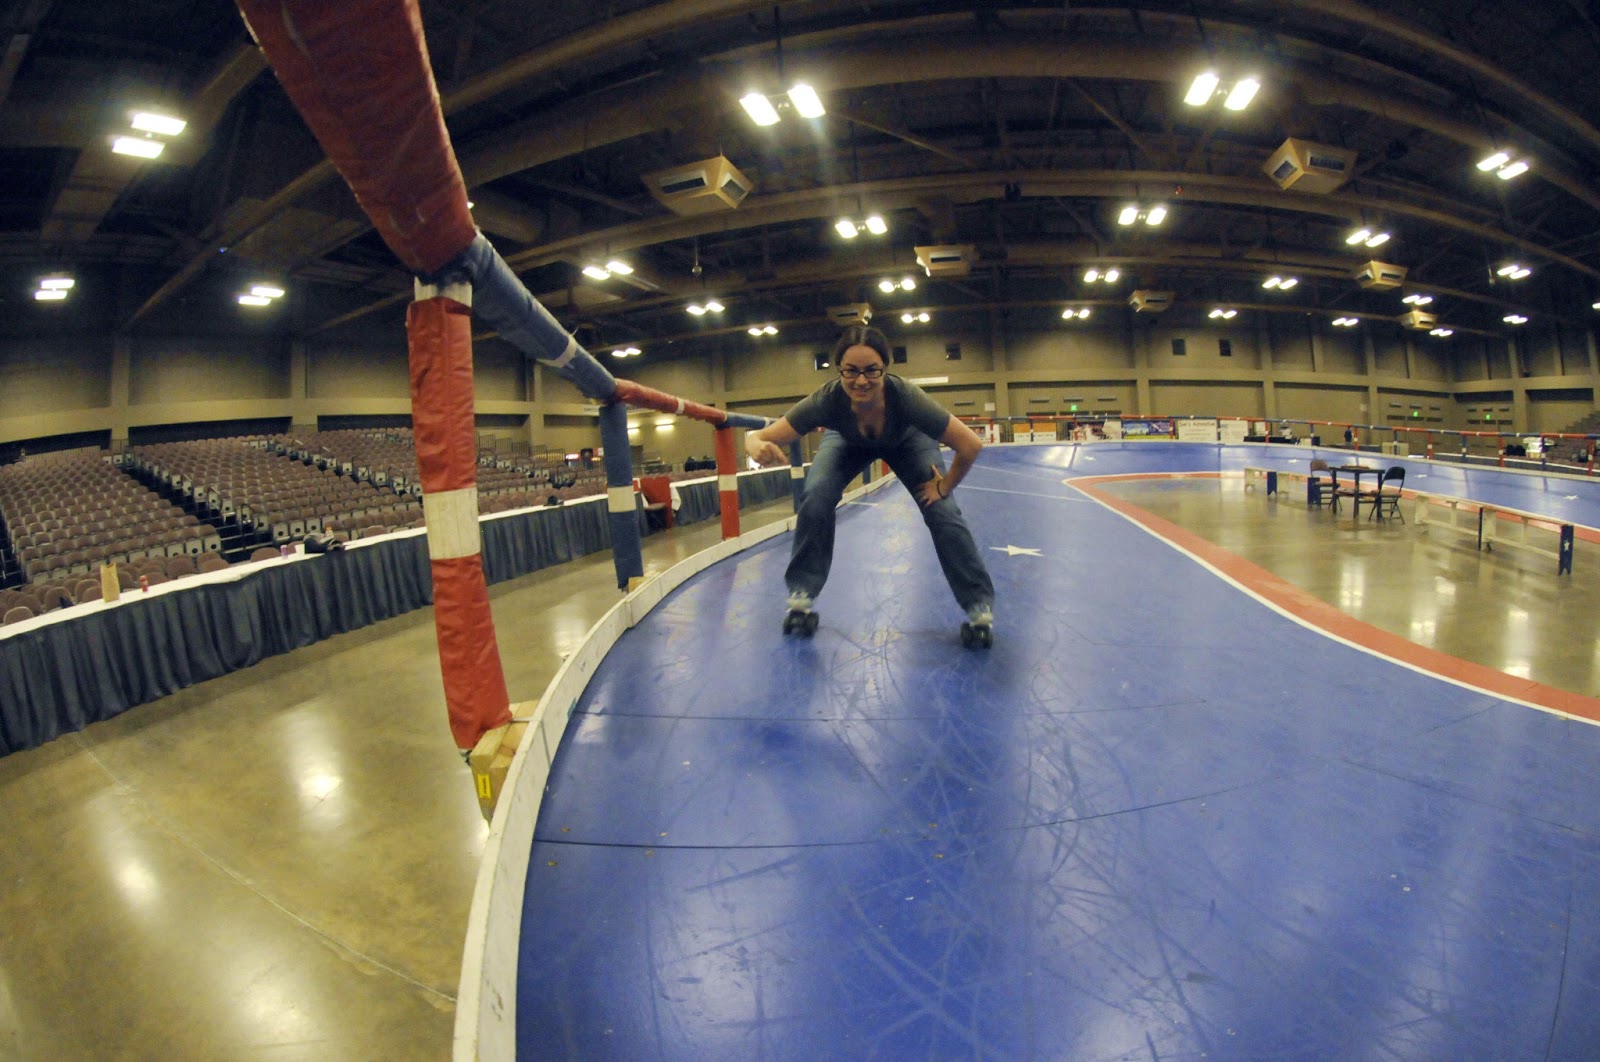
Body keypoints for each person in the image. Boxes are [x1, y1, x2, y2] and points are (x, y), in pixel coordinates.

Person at [744, 325, 995, 641]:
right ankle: (801, 594)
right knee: (816, 495)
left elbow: (970, 445)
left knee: (943, 512)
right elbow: (759, 437)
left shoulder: (907, 398)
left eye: (871, 371)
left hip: (908, 441)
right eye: (850, 371)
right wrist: (753, 444)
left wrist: (943, 488)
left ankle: (978, 606)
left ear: (885, 370)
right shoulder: (826, 399)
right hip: (847, 442)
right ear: (839, 371)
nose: (860, 381)